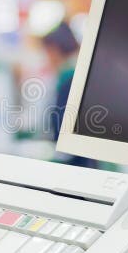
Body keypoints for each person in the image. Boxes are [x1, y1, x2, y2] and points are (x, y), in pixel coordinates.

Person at [41, 22, 95, 168]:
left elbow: (61, 125)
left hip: (75, 163)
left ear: (53, 50)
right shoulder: (80, 73)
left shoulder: (68, 79)